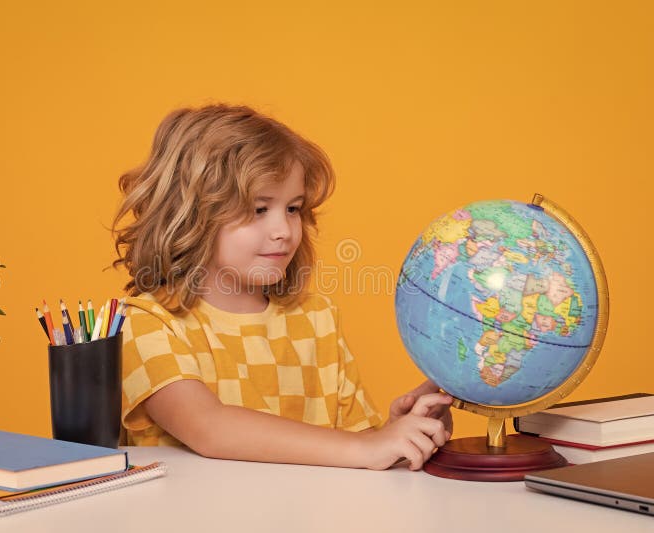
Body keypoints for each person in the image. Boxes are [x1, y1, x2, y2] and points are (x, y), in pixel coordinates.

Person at [112, 104, 453, 471]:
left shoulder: (315, 318)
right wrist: (365, 448)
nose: (284, 231)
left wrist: (400, 434)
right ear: (191, 213)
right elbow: (208, 427)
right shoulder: (147, 322)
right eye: (259, 209)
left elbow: (352, 448)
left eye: (293, 208)